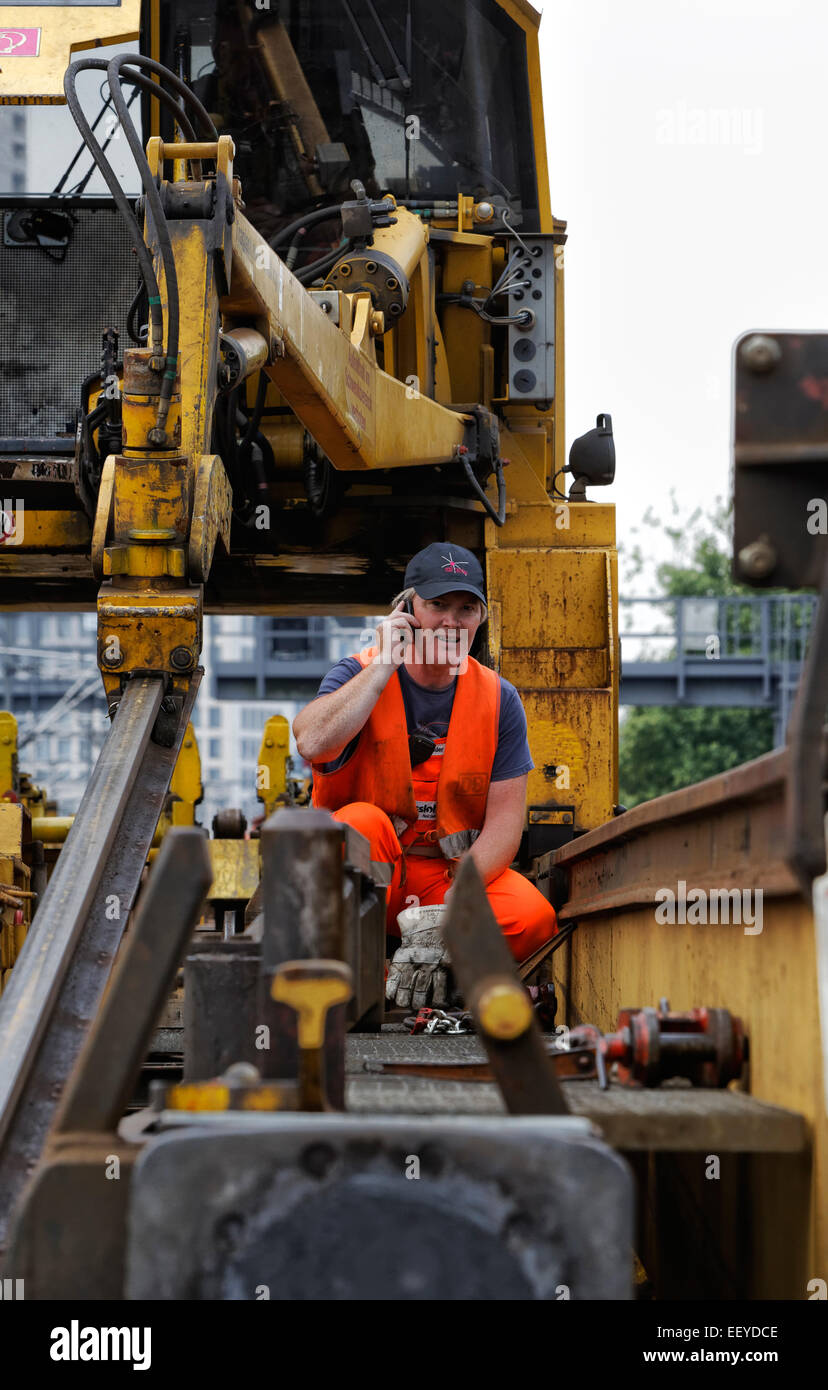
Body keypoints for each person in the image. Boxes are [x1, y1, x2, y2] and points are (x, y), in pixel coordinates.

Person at [292, 542, 558, 994]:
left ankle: (421, 966)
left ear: (481, 618)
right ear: (406, 608)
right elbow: (312, 741)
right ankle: (365, 969)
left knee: (532, 920)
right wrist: (383, 667)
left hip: (445, 877)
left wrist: (453, 906)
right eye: (437, 606)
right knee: (362, 823)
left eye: (466, 609)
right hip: (367, 872)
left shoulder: (499, 700)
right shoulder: (356, 674)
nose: (452, 622)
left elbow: (505, 827)